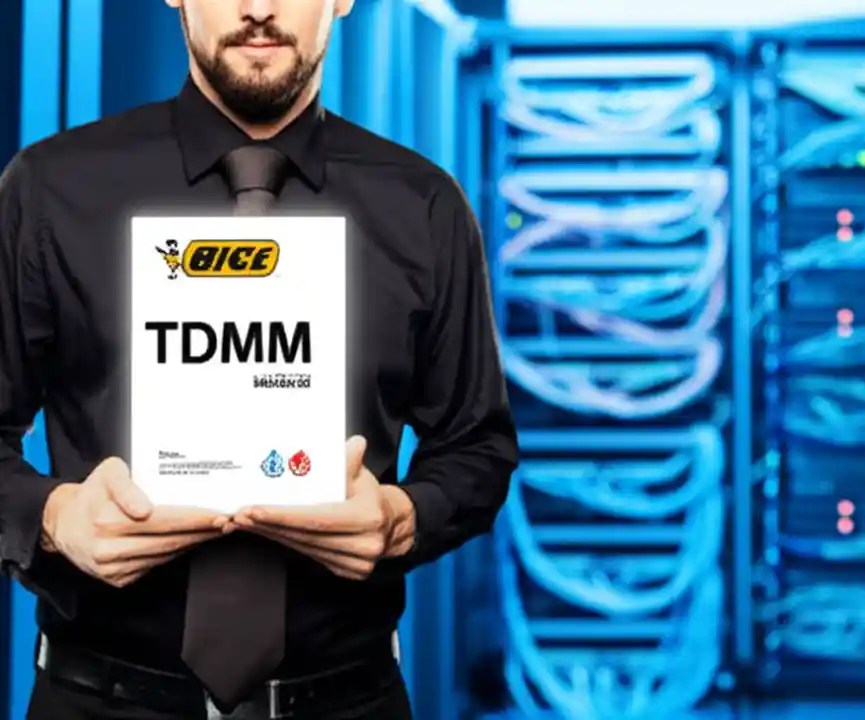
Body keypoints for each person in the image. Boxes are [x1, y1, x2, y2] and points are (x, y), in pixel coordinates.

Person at [0, 1, 519, 718]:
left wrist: (402, 517)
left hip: (347, 702)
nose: (258, 9)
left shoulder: (423, 206)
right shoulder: (51, 190)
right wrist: (56, 518)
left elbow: (478, 447)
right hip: (98, 700)